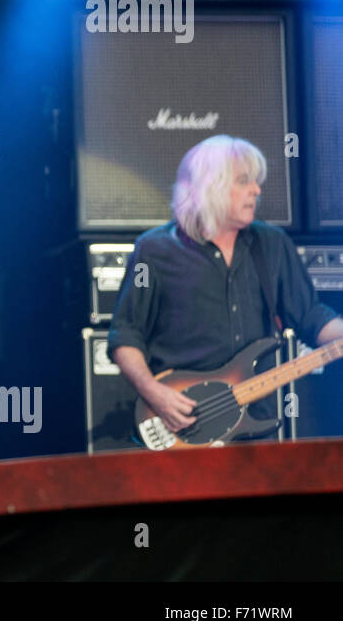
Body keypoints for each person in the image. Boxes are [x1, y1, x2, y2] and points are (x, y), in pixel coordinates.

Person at [109, 135, 343, 438]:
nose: (256, 190)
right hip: (182, 426)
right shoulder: (154, 250)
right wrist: (155, 393)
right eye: (244, 181)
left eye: (256, 181)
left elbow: (311, 318)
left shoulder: (272, 244)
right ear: (211, 187)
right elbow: (125, 335)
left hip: (256, 424)